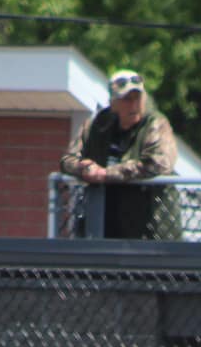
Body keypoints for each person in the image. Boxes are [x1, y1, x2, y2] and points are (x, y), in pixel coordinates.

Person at [61, 69, 178, 240]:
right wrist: (83, 168)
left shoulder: (155, 123)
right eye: (126, 99)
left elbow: (158, 163)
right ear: (113, 102)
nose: (133, 105)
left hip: (149, 229)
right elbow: (66, 160)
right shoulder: (97, 125)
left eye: (137, 98)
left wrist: (105, 174)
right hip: (104, 224)